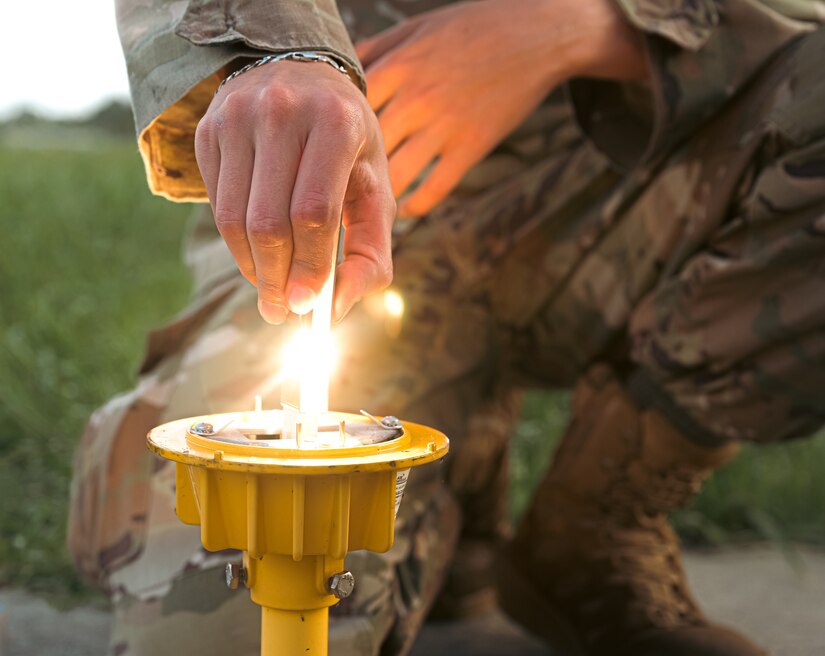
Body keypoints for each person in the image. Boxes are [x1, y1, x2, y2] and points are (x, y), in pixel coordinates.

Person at [68, 0, 825, 654]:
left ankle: (593, 519)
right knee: (232, 623)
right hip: (332, 218)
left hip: (641, 188)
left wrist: (593, 23)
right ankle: (457, 478)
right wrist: (278, 53)